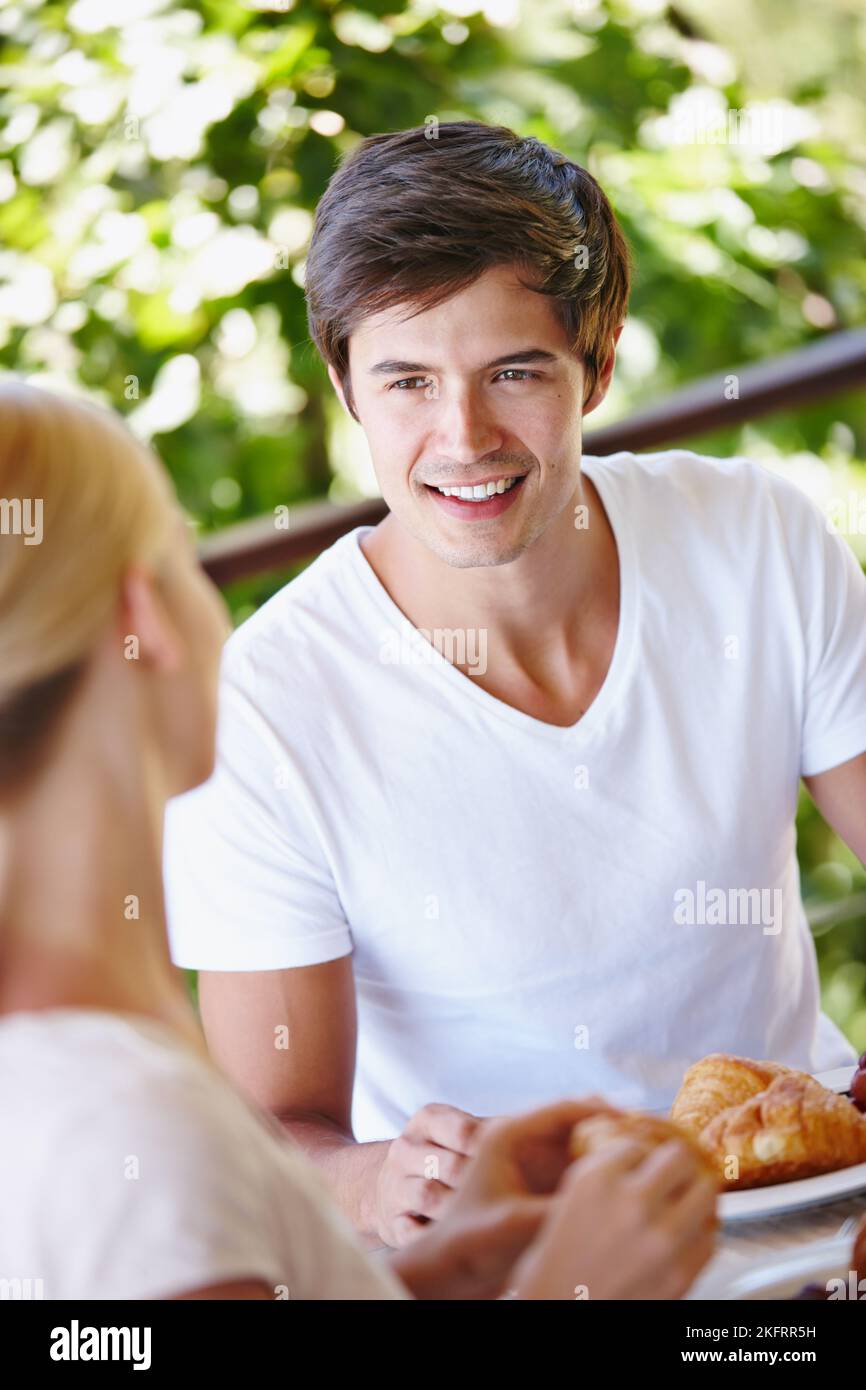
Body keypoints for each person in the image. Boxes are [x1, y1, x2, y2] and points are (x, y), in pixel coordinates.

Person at [164, 120, 866, 1248]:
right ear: (344, 384)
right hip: (516, 1264)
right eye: (406, 381)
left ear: (594, 362)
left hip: (809, 1219)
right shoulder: (265, 709)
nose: (463, 437)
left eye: (513, 372)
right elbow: (270, 1133)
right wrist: (373, 1177)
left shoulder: (756, 542)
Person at [0, 380, 717, 1300]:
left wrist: (448, 1270)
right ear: (145, 621)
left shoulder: (67, 1073)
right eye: (183, 556)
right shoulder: (134, 1126)